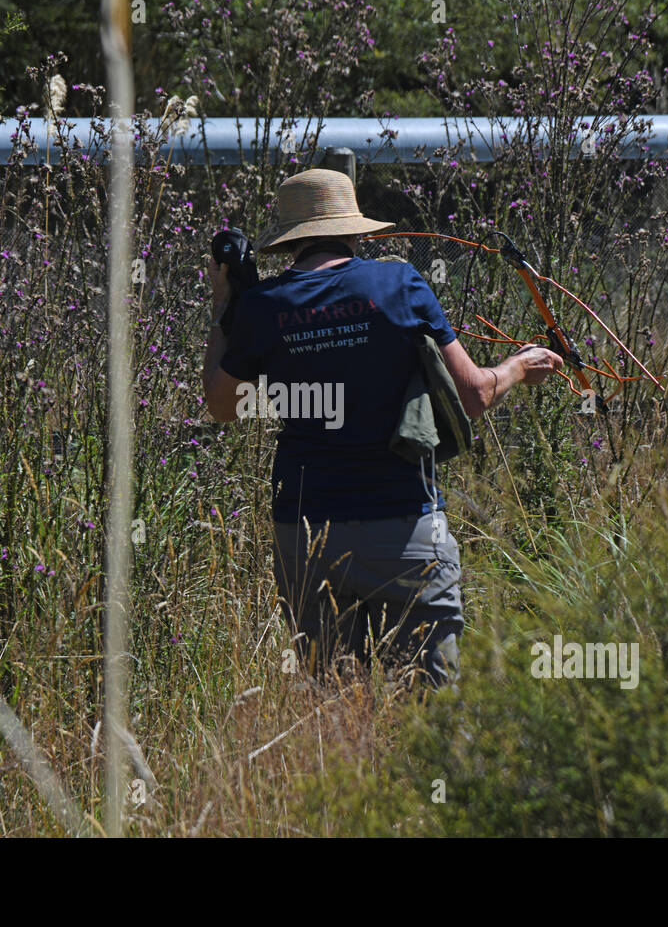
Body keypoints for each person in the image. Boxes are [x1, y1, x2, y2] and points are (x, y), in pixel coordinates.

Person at [202, 168, 562, 690]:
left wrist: (223, 307)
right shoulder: (399, 284)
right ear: (353, 229)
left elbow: (221, 405)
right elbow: (474, 394)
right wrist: (519, 368)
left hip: (306, 535)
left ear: (292, 240)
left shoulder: (263, 308)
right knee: (428, 717)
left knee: (336, 711)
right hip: (405, 527)